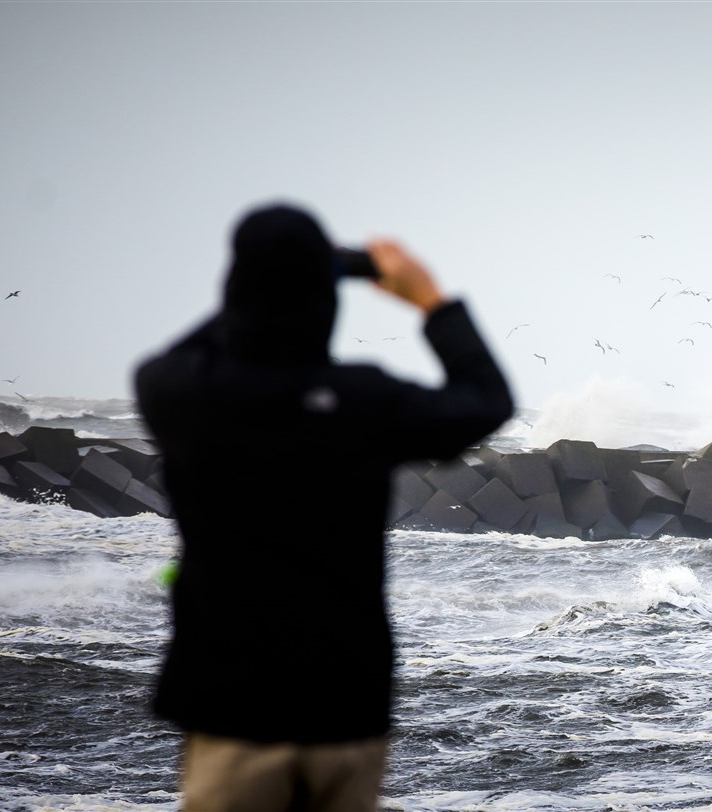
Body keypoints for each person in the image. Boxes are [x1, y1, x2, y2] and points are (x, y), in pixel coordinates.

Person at [134, 203, 514, 811]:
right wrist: (429, 299)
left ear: (238, 289)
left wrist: (281, 276)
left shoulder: (192, 398)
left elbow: (165, 363)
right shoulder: (364, 400)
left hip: (232, 707)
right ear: (325, 301)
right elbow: (486, 400)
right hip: (347, 707)